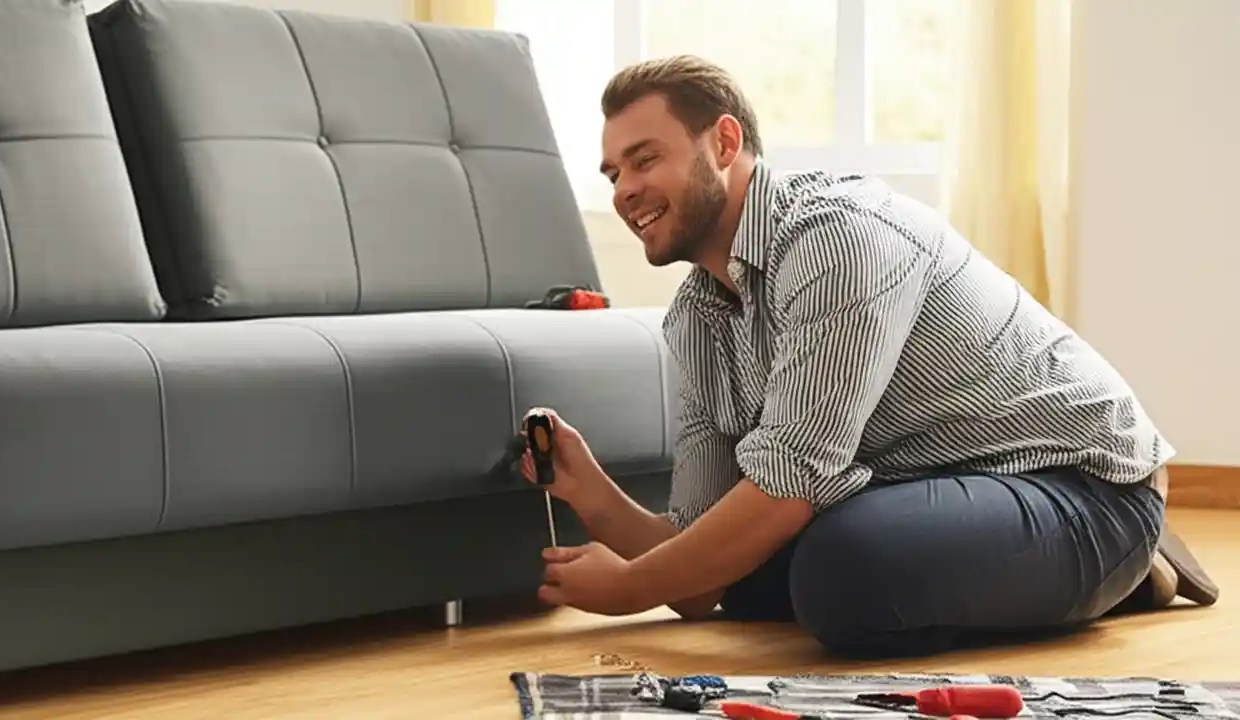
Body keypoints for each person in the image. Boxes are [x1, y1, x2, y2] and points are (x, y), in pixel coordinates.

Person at [519, 55, 1218, 657]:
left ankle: (1126, 573)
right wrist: (591, 495)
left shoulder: (837, 239)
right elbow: (703, 584)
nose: (624, 190)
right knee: (759, 562)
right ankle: (1022, 578)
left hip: (1081, 487)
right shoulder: (697, 319)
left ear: (725, 142)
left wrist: (631, 588)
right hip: (928, 490)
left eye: (646, 159)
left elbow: (786, 490)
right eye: (613, 173)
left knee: (840, 572)